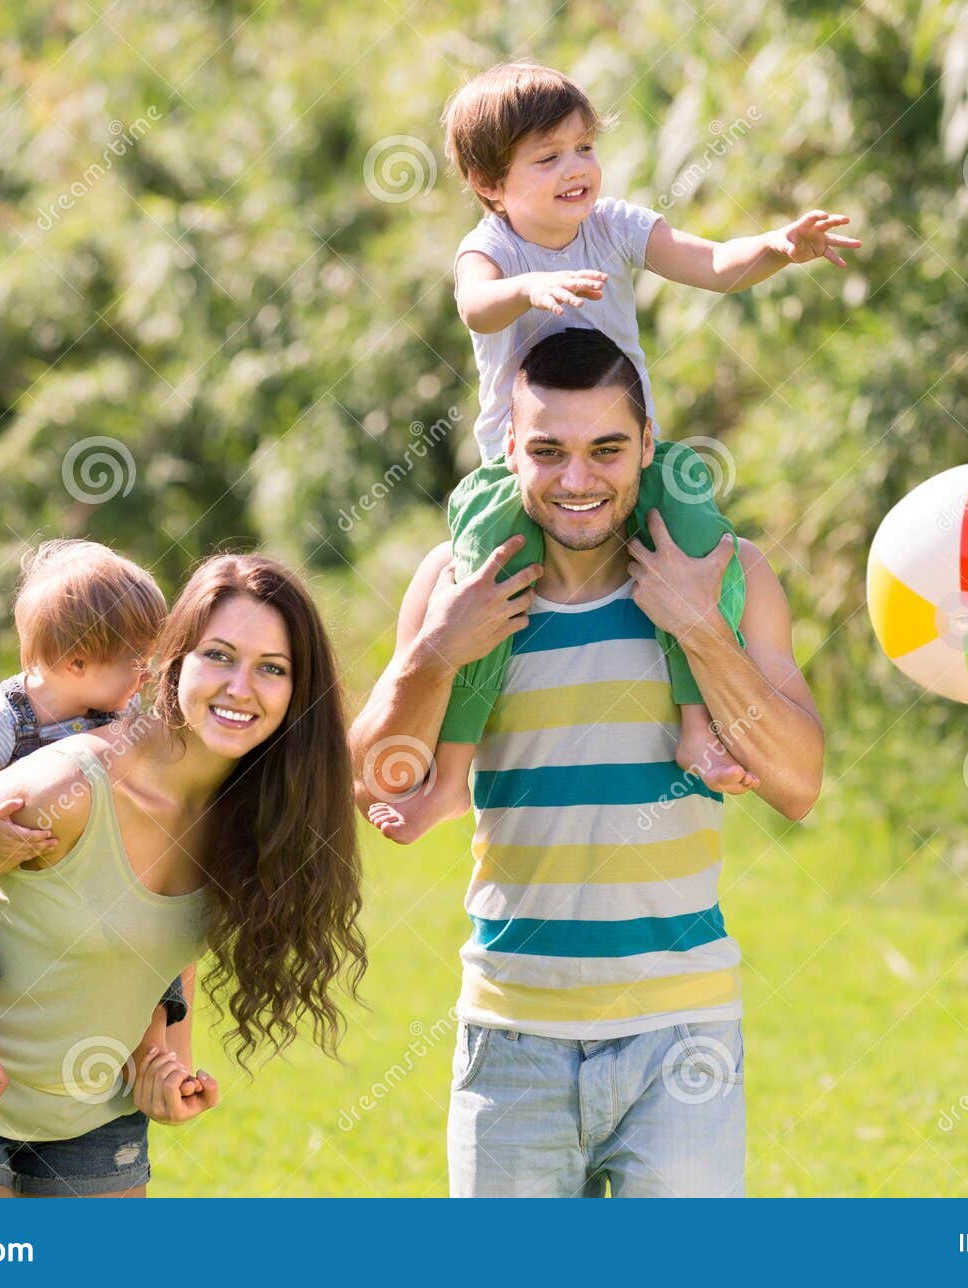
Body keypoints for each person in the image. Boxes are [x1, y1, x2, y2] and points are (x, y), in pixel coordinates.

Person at [349, 328, 825, 1197]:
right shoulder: (459, 578)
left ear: (648, 445)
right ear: (509, 451)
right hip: (511, 1035)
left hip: (683, 1034)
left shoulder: (729, 573)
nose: (577, 480)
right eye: (549, 452)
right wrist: (437, 651)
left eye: (607, 449)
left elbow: (797, 783)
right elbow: (375, 778)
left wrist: (699, 627)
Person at [365, 60, 852, 843]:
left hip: (631, 455)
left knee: (694, 536)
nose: (576, 169)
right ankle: (451, 780)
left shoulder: (617, 225)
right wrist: (528, 292)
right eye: (547, 157)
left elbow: (711, 265)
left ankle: (698, 728)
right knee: (486, 589)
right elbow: (475, 306)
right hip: (516, 471)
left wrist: (776, 247)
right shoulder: (489, 246)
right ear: (492, 182)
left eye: (584, 146)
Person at [0, 553, 366, 1196]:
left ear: (299, 692)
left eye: (272, 668)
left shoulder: (252, 818)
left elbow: (163, 940)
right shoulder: (64, 787)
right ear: (172, 659)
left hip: (94, 1109)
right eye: (219, 655)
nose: (241, 686)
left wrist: (164, 1065)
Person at [0, 538, 185, 1091]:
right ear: (77, 661)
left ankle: (152, 1042)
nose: (147, 675)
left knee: (160, 897)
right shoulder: (8, 714)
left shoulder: (116, 707)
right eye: (136, 662)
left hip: (63, 851)